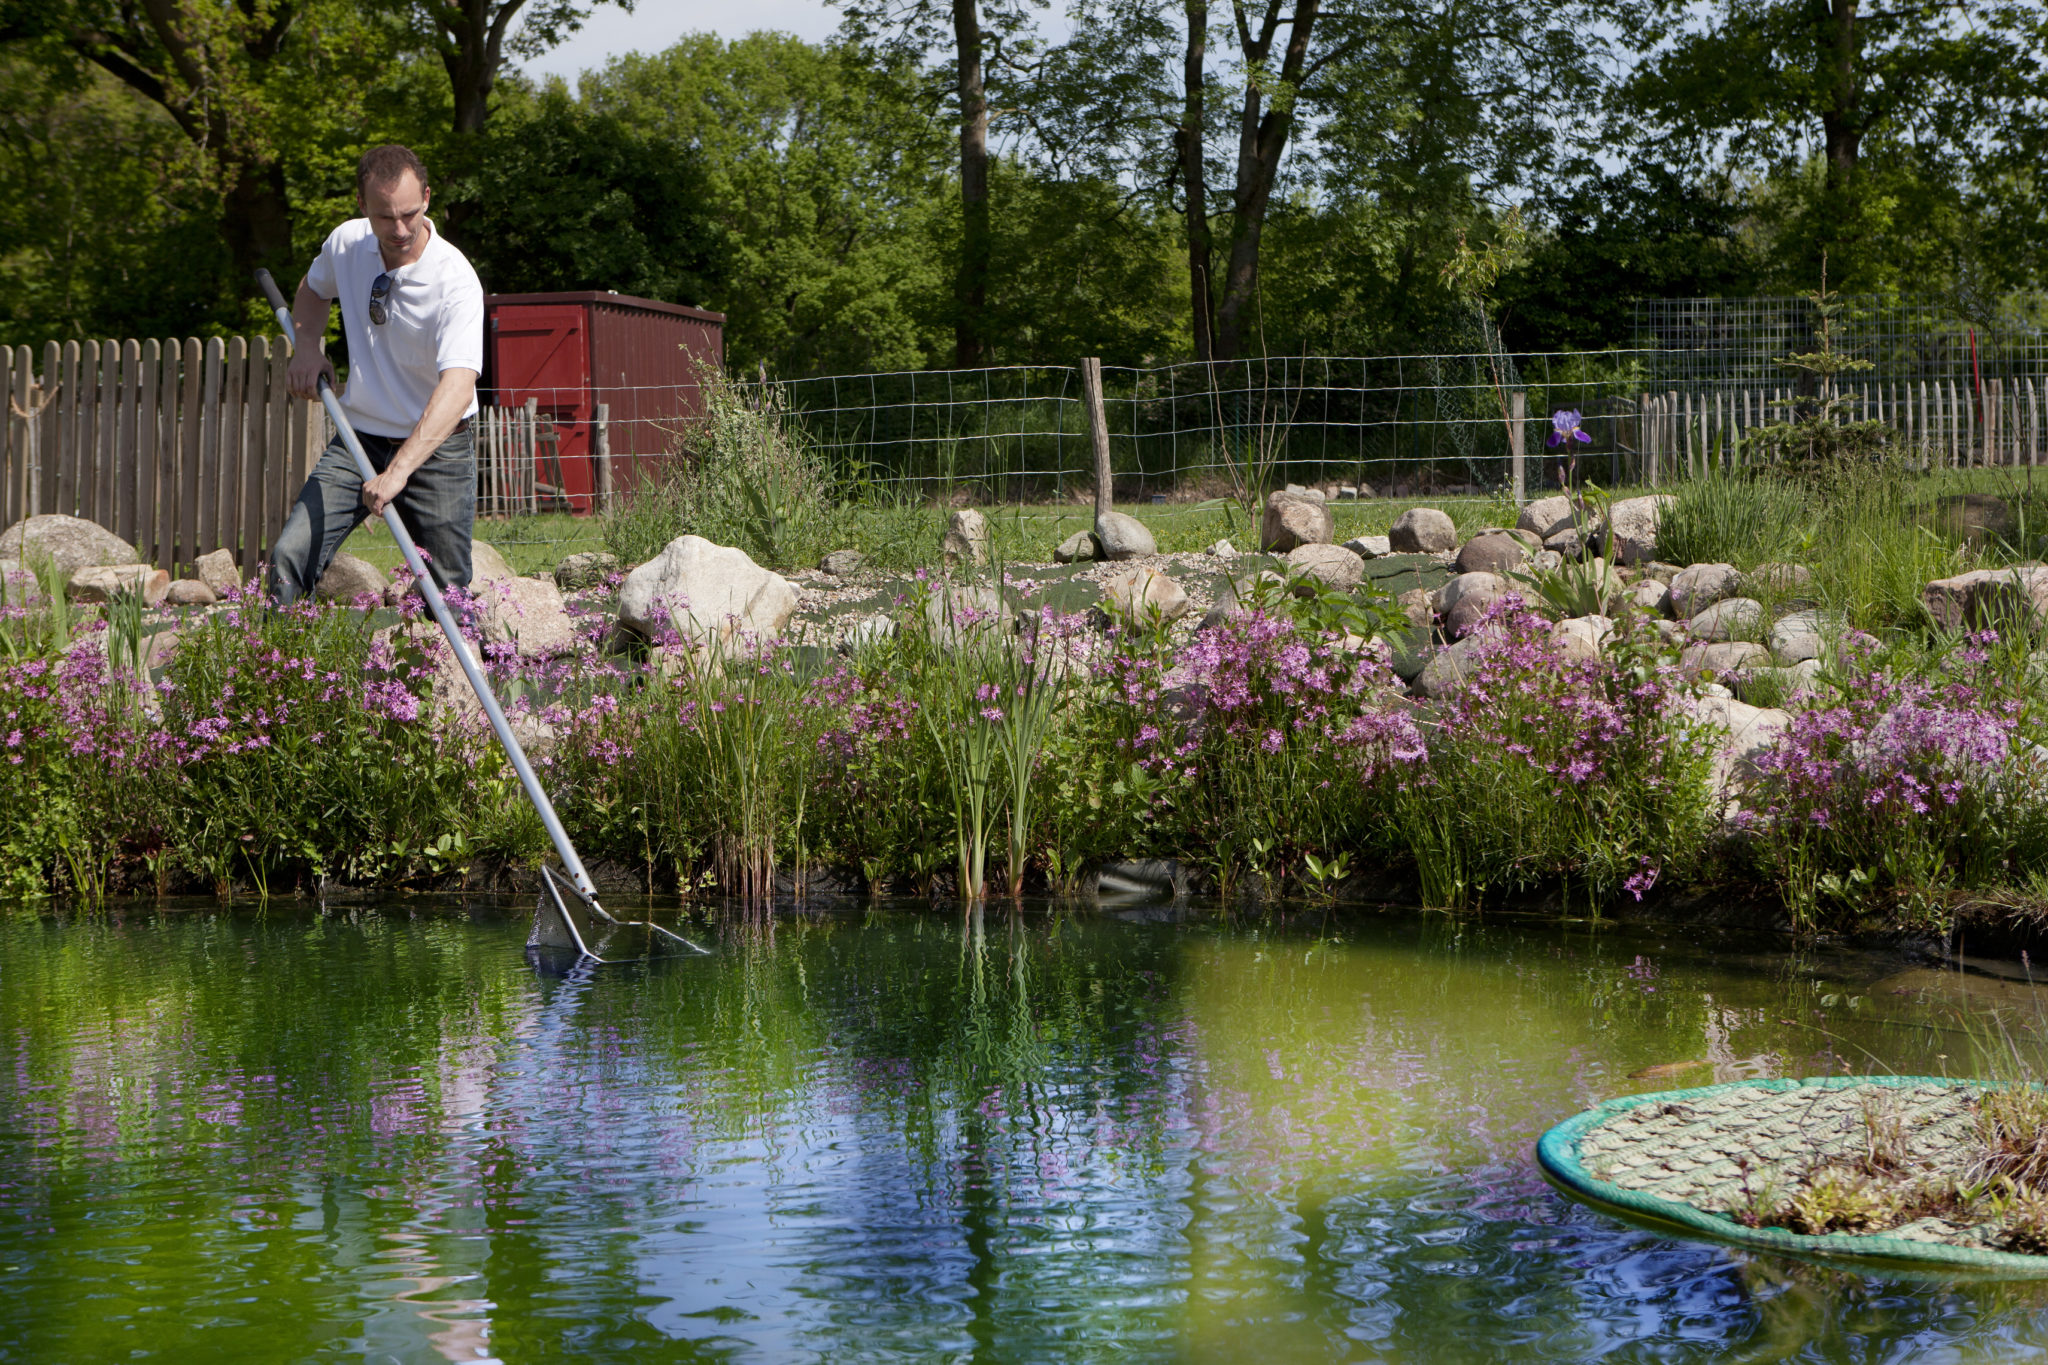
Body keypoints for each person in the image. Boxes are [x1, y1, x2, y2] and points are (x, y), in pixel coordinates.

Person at [270, 144, 484, 605]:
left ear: (426, 197)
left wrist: (399, 471)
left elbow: (459, 384)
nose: (400, 229)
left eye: (409, 213)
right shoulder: (348, 242)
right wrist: (307, 347)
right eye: (386, 217)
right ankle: (276, 669)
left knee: (446, 592)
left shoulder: (455, 281)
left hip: (437, 448)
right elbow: (313, 288)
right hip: (360, 436)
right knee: (290, 554)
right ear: (362, 205)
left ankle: (459, 674)